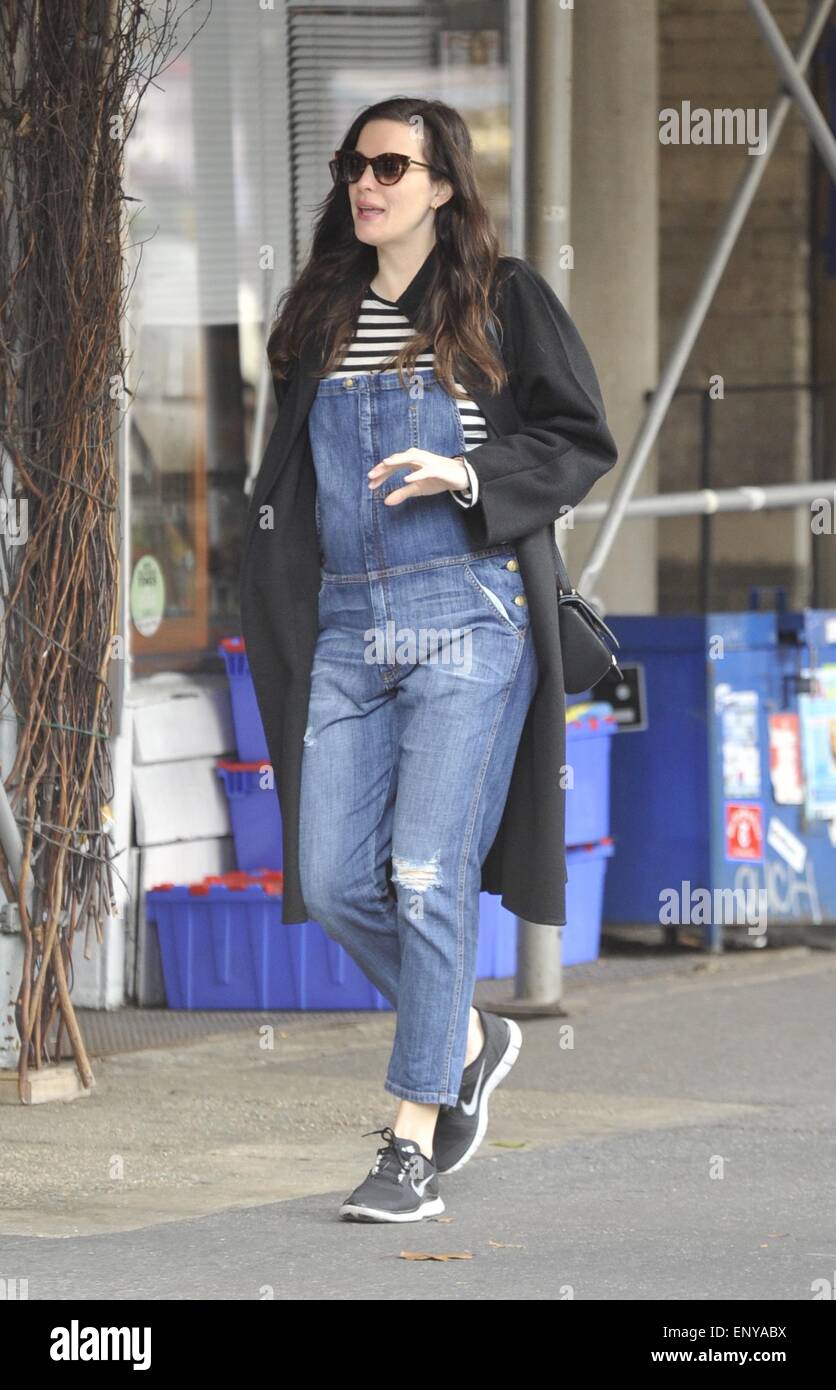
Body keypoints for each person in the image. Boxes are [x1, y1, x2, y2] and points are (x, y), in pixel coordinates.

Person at [240, 96, 618, 1223]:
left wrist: (465, 477)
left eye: (392, 165)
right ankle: (464, 1033)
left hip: (468, 614)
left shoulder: (504, 299)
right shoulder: (317, 312)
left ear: (442, 183)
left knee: (423, 875)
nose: (368, 183)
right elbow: (289, 481)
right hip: (350, 623)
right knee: (331, 877)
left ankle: (410, 1141)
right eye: (355, 165)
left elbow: (577, 436)